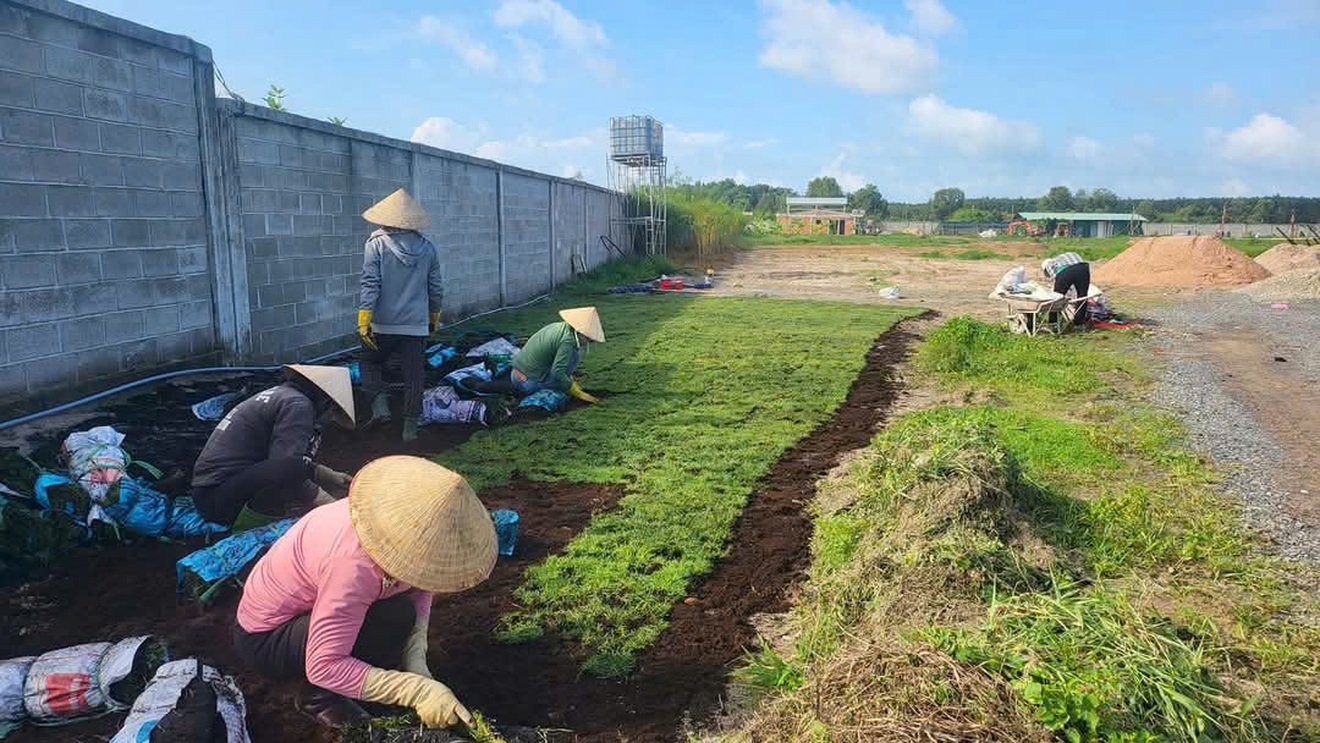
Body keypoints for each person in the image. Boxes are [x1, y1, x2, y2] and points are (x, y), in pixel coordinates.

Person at [232, 456, 497, 729]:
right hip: (267, 638)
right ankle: (320, 697)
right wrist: (416, 691)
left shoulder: (397, 528)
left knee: (397, 613)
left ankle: (362, 671)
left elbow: (421, 583)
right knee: (392, 616)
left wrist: (416, 658)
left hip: (316, 610)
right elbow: (324, 664)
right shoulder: (354, 563)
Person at [191, 365, 356, 533]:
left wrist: (326, 475)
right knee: (290, 473)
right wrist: (328, 503)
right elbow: (286, 466)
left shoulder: (282, 395)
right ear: (325, 399)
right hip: (221, 502)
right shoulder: (298, 405)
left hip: (211, 492)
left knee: (290, 469)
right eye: (332, 408)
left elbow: (280, 460)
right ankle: (247, 528)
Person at [357, 188, 443, 442]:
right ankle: (410, 429)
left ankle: (380, 405)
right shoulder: (428, 249)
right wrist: (433, 316)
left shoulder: (376, 245)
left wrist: (364, 320)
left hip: (383, 324)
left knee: (369, 361)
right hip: (415, 326)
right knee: (414, 376)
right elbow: (436, 287)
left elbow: (370, 283)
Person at [511, 306, 605, 403]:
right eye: (588, 339)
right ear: (580, 332)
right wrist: (574, 390)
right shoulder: (568, 341)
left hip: (515, 375)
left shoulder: (559, 327)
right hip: (528, 383)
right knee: (573, 357)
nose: (587, 343)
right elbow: (557, 372)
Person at [1041, 251, 1091, 323]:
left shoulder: (1049, 264)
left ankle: (1053, 322)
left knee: (1056, 297)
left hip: (1066, 272)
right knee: (1082, 295)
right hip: (1083, 268)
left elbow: (1056, 278)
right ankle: (1079, 321)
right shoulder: (1061, 258)